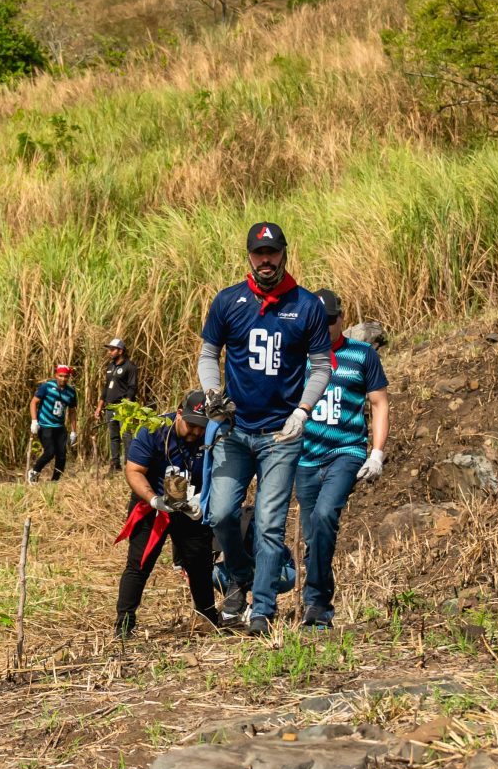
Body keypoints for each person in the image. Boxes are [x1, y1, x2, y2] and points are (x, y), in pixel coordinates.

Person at [199, 221, 334, 635]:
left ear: (284, 254)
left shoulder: (306, 305)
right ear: (249, 257)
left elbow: (322, 366)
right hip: (235, 429)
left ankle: (262, 608)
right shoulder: (228, 301)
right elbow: (208, 353)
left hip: (281, 435)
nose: (266, 261)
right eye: (259, 254)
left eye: (272, 253)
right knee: (220, 513)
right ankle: (238, 576)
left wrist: (303, 411)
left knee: (270, 521)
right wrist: (212, 393)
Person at [293, 290, 391, 631]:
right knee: (312, 535)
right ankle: (313, 600)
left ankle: (318, 603)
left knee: (324, 516)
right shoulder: (299, 356)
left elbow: (378, 403)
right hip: (305, 457)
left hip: (346, 452)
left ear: (341, 318)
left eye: (331, 320)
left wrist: (376, 452)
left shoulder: (361, 355)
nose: (326, 326)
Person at [114, 392, 222, 639]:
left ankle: (208, 618)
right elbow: (134, 471)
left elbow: (221, 474)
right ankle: (124, 624)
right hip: (152, 505)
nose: (196, 432)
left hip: (190, 508)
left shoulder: (213, 438)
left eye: (201, 427)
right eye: (191, 424)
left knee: (199, 564)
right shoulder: (154, 430)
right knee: (139, 563)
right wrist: (154, 499)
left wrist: (203, 501)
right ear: (179, 412)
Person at [96, 339, 141, 472]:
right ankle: (115, 464)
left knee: (126, 435)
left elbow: (132, 387)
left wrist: (126, 404)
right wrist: (99, 407)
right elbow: (106, 389)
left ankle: (129, 464)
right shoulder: (110, 367)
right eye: (109, 349)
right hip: (110, 407)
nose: (109, 352)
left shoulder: (130, 366)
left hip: (123, 407)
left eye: (112, 349)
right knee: (113, 436)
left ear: (120, 351)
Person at [28, 365, 80, 482]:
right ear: (56, 375)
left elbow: (72, 412)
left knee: (62, 455)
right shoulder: (46, 387)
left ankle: (55, 481)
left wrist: (73, 431)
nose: (63, 379)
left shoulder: (71, 392)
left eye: (66, 376)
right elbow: (33, 402)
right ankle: (34, 472)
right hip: (46, 425)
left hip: (60, 427)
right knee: (50, 452)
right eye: (60, 376)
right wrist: (34, 421)